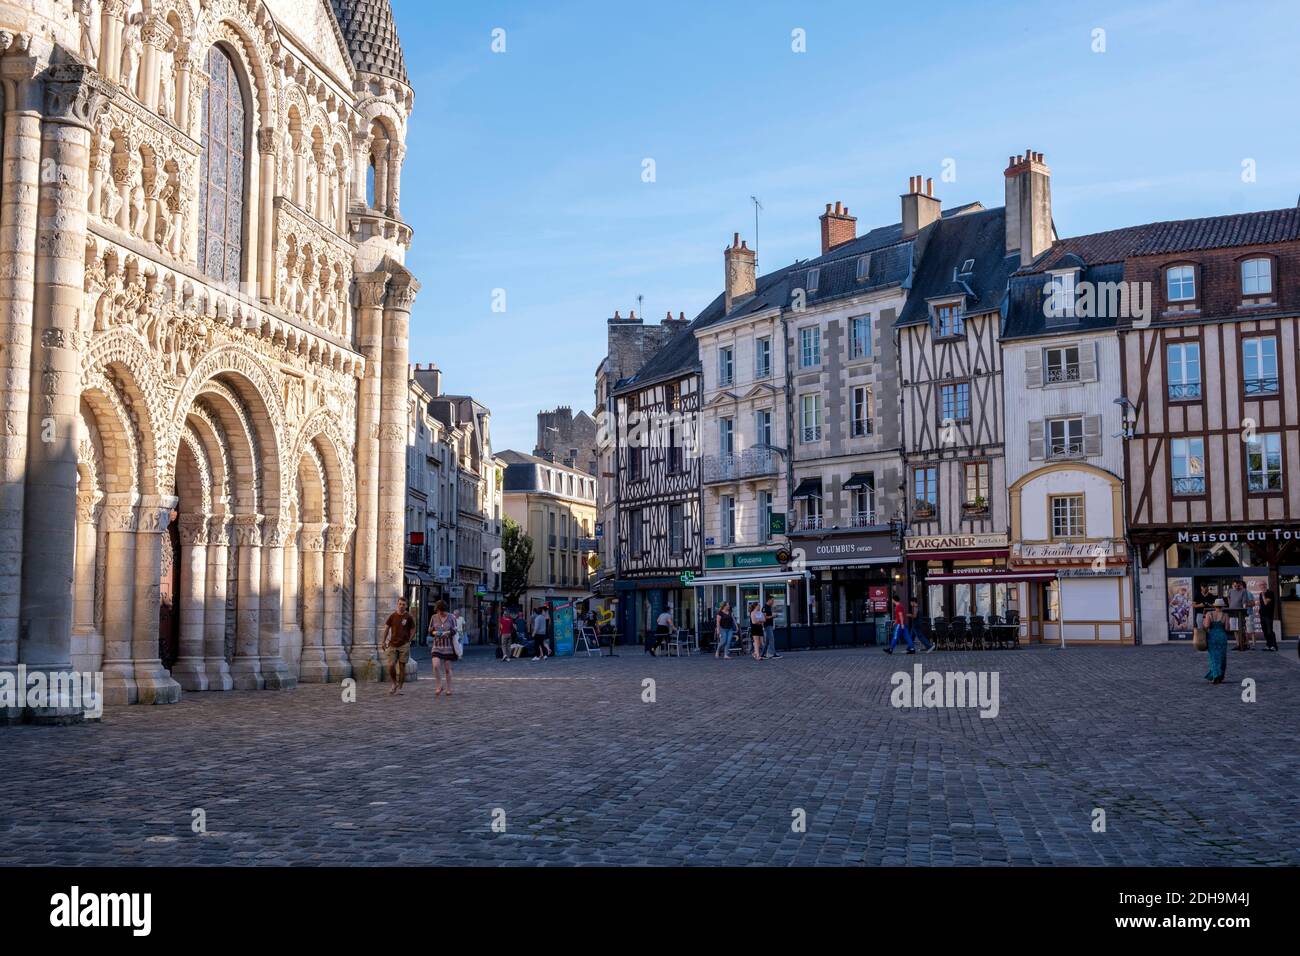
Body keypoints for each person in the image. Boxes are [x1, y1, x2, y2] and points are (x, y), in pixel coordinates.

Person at [380, 598, 417, 695]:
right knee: (391, 665)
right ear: (397, 604)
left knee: (402, 666)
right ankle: (394, 683)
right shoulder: (393, 616)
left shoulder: (408, 617)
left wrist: (409, 640)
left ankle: (400, 683)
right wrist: (383, 641)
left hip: (404, 645)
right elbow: (387, 628)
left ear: (406, 605)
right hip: (393, 644)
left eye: (403, 604)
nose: (401, 606)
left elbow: (413, 629)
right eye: (400, 604)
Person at [428, 600, 458, 696]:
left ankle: (449, 688)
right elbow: (430, 630)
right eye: (438, 611)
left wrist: (447, 633)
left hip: (448, 646)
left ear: (445, 610)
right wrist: (435, 633)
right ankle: (439, 685)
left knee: (447, 669)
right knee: (436, 665)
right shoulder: (434, 617)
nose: (440, 613)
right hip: (436, 645)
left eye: (442, 611)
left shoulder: (451, 617)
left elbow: (455, 630)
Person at [1204, 598, 1229, 684]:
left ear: (1214, 606)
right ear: (1222, 607)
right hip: (1222, 636)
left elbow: (1206, 626)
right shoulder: (1225, 615)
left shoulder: (1209, 614)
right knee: (1222, 657)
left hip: (1212, 637)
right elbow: (1227, 628)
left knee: (1213, 657)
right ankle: (1220, 675)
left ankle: (1215, 676)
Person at [1227, 580, 1253, 650]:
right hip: (1232, 612)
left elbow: (1244, 602)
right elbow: (1228, 597)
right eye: (1235, 586)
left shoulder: (1243, 591)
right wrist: (1230, 605)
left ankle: (1245, 643)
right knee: (1234, 629)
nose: (1236, 587)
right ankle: (1238, 644)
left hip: (1240, 612)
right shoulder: (1230, 591)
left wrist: (1244, 609)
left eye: (1238, 586)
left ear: (1240, 585)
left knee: (1242, 629)